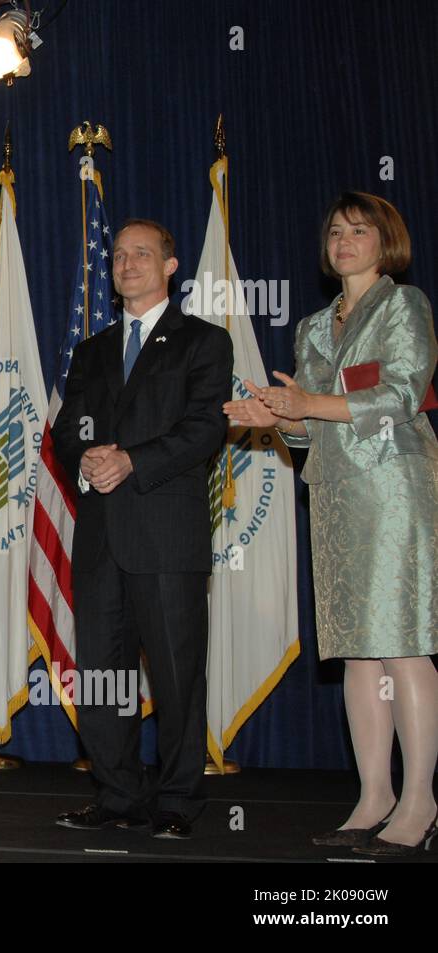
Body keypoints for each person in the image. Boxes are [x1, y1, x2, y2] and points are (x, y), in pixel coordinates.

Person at [226, 192, 438, 856]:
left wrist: (309, 402)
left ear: (386, 242)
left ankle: (421, 798)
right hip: (337, 493)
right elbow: (314, 431)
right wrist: (276, 419)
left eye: (359, 230)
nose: (344, 240)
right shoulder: (315, 327)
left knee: (402, 642)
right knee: (356, 648)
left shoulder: (404, 305)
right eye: (336, 231)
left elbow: (401, 396)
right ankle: (374, 794)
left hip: (396, 489)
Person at [51, 219, 233, 839]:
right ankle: (117, 793)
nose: (127, 264)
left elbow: (206, 428)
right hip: (101, 535)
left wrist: (132, 460)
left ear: (171, 266)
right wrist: (89, 458)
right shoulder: (92, 350)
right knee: (102, 672)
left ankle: (178, 799)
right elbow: (66, 428)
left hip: (165, 534)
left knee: (178, 673)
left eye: (143, 254)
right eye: (120, 255)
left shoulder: (203, 342)